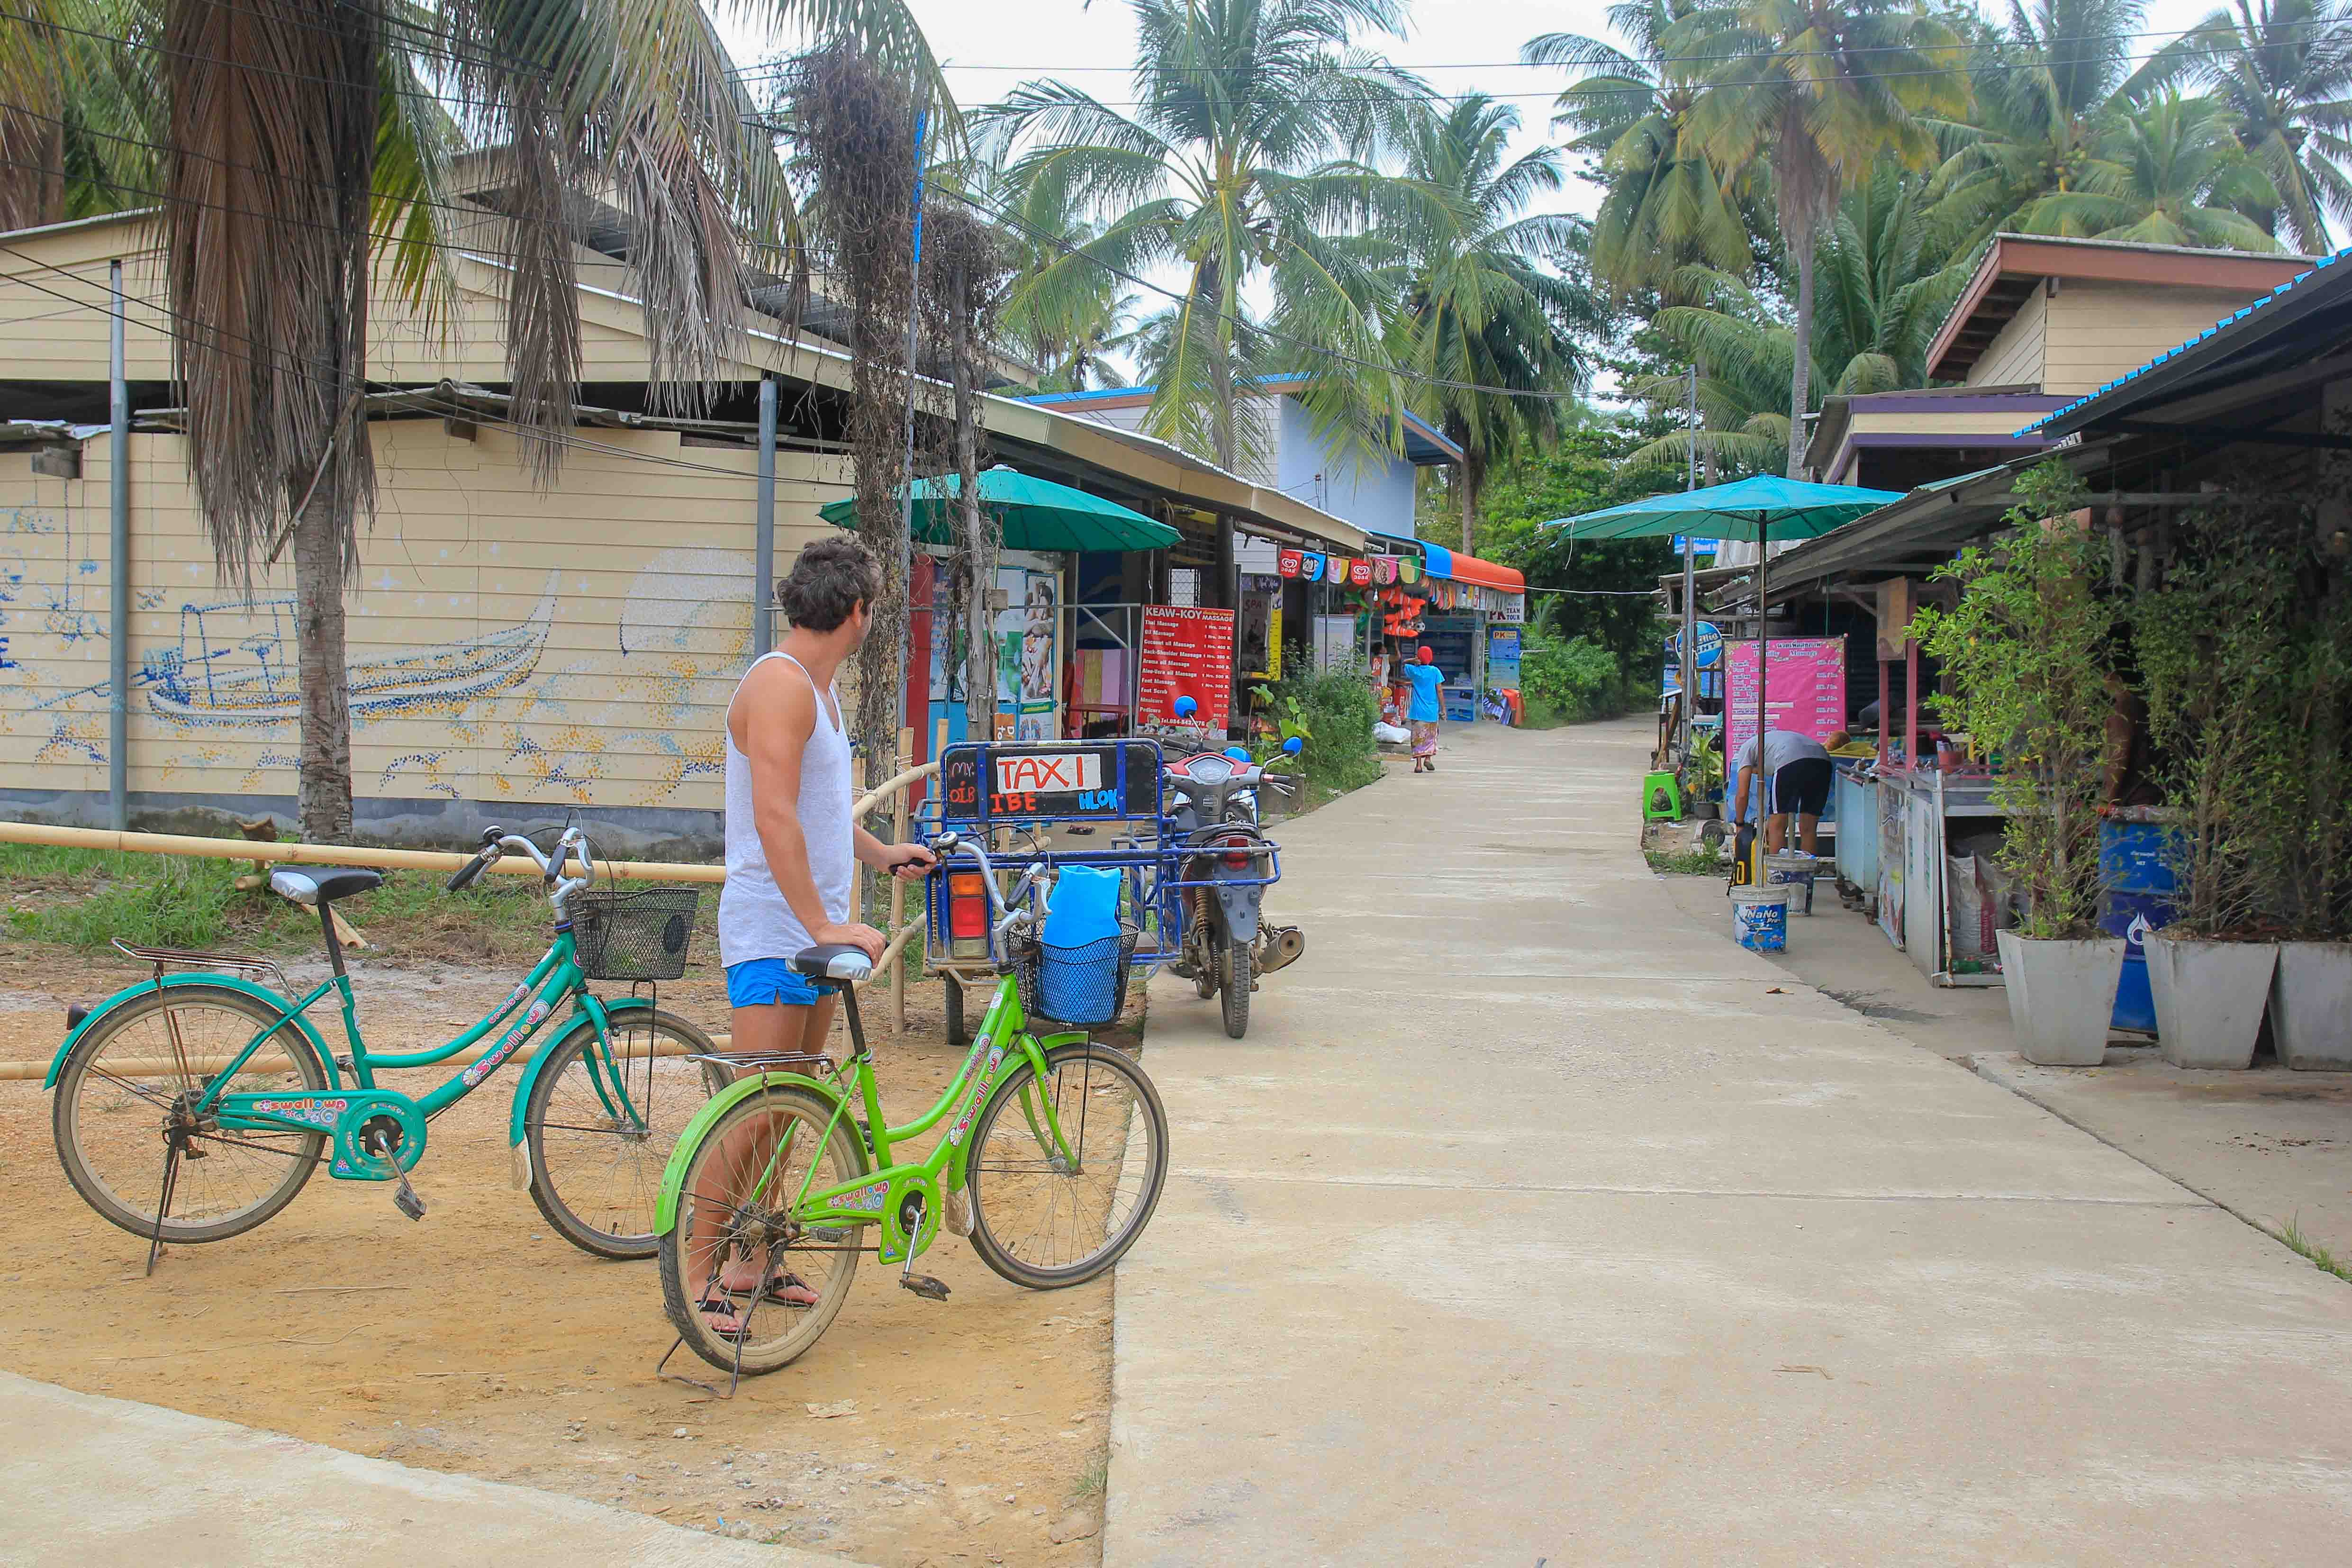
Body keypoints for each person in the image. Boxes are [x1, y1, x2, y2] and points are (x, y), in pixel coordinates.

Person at [698, 536, 934, 1336]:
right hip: (776, 930)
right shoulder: (779, 684)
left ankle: (752, 1256)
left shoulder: (819, 690)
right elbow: (772, 817)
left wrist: (880, 854)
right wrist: (822, 924)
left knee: (789, 1108)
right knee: (751, 1113)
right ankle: (696, 1277)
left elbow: (818, 812)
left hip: (809, 931)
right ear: (857, 611)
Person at [1731, 726, 1834, 855]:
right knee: (1809, 827)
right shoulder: (1769, 744)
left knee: (1778, 826)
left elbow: (1742, 794)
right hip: (1823, 760)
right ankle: (1808, 868)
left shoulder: (1745, 750)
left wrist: (1740, 825)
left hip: (1790, 757)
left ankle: (1776, 868)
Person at [1401, 645, 1447, 773]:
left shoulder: (1414, 671)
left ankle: (1419, 766)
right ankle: (1428, 758)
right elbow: (1440, 691)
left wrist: (1413, 660)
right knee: (1430, 737)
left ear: (1419, 657)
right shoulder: (1435, 671)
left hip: (1417, 712)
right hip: (1431, 712)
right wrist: (1443, 708)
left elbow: (1404, 663)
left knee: (1418, 738)